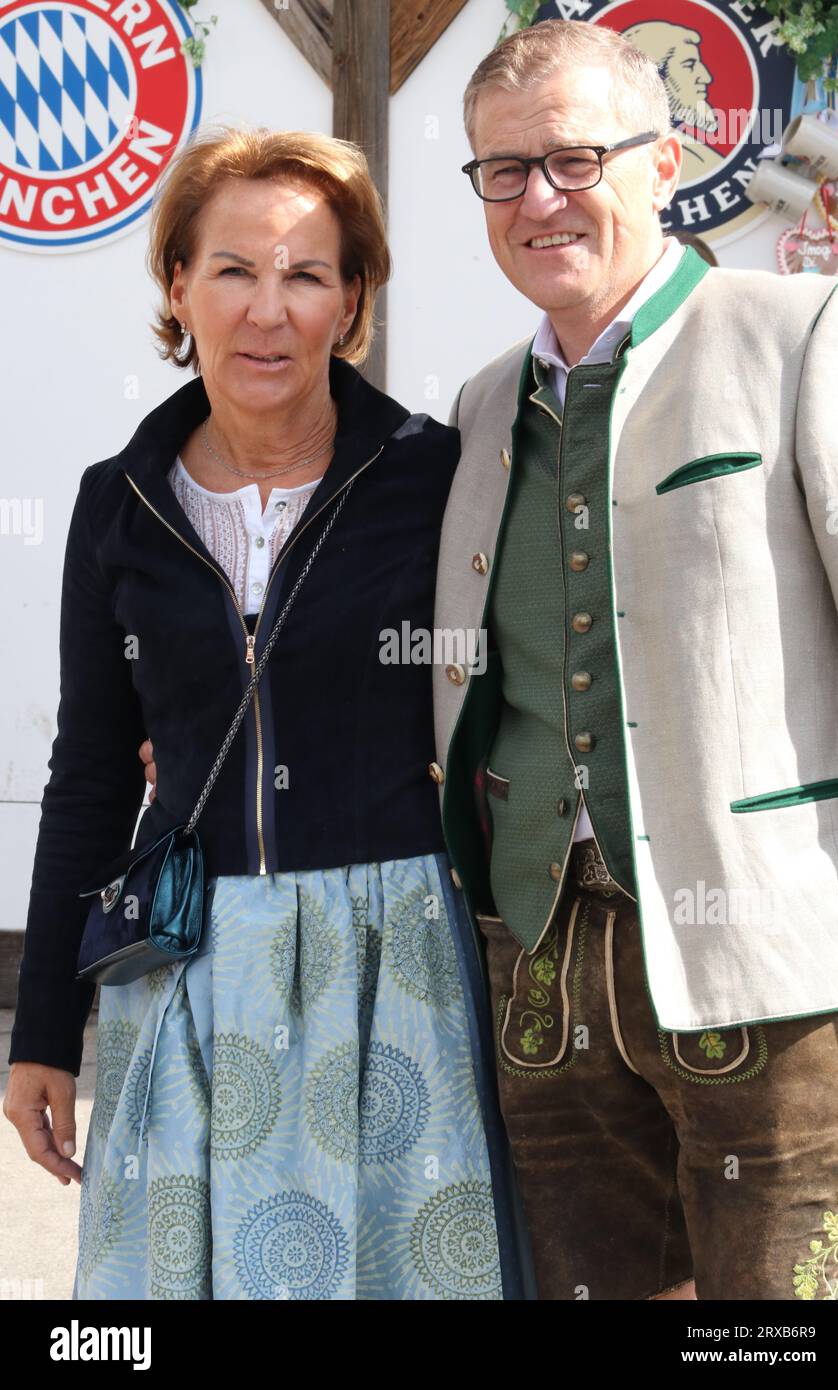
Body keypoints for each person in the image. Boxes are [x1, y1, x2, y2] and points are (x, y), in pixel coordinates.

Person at [4, 126, 526, 1301]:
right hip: (188, 970)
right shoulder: (118, 502)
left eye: (305, 274)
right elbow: (90, 766)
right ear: (177, 284)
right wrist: (42, 1026)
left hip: (397, 967)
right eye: (233, 270)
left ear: (352, 300)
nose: (265, 310)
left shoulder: (435, 477)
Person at [428, 20, 838, 1300]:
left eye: (572, 158)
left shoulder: (804, 335)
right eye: (502, 171)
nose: (539, 199)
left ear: (662, 160)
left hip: (777, 967)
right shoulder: (475, 406)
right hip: (545, 980)